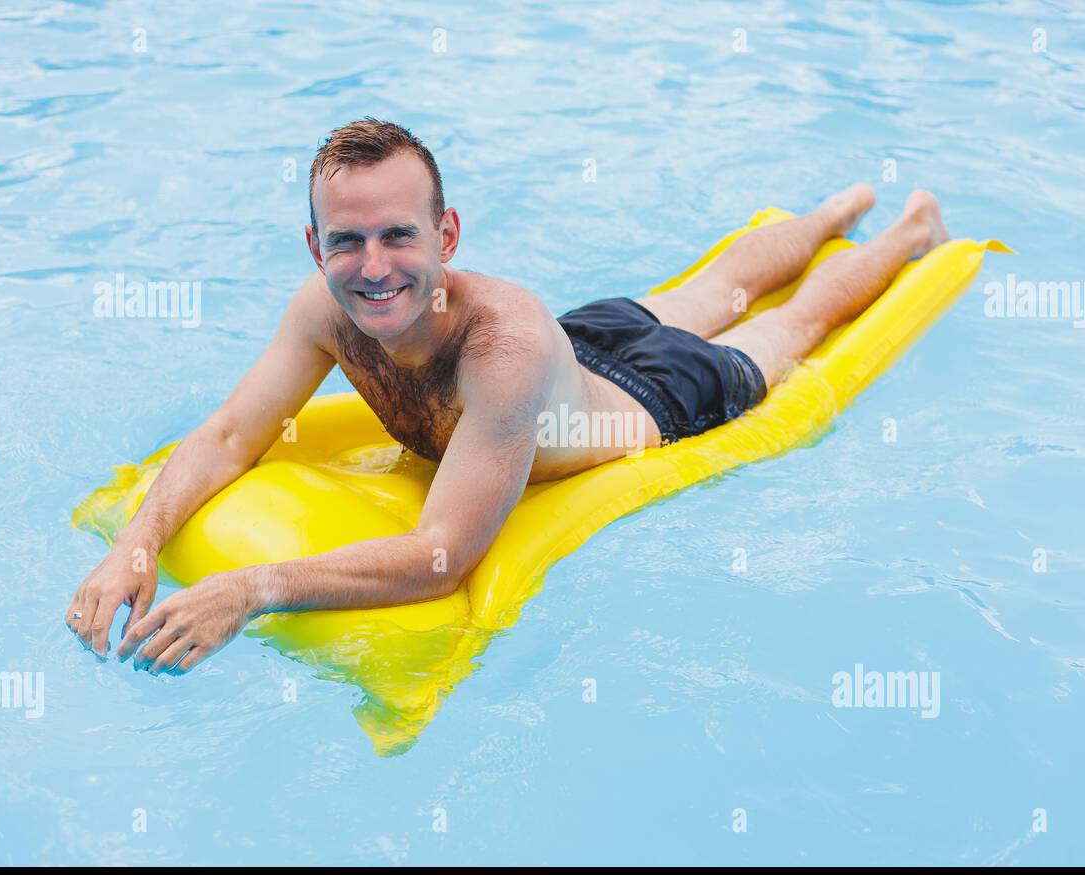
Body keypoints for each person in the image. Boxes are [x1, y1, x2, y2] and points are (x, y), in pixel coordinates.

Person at [65, 117, 951, 674]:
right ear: (314, 246)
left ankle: (910, 227)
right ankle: (836, 212)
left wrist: (250, 589)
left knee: (787, 326)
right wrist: (138, 544)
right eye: (347, 241)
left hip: (652, 396)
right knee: (708, 286)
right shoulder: (324, 311)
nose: (372, 267)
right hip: (578, 341)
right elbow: (226, 438)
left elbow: (444, 554)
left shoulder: (503, 348)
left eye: (398, 236)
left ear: (446, 235)